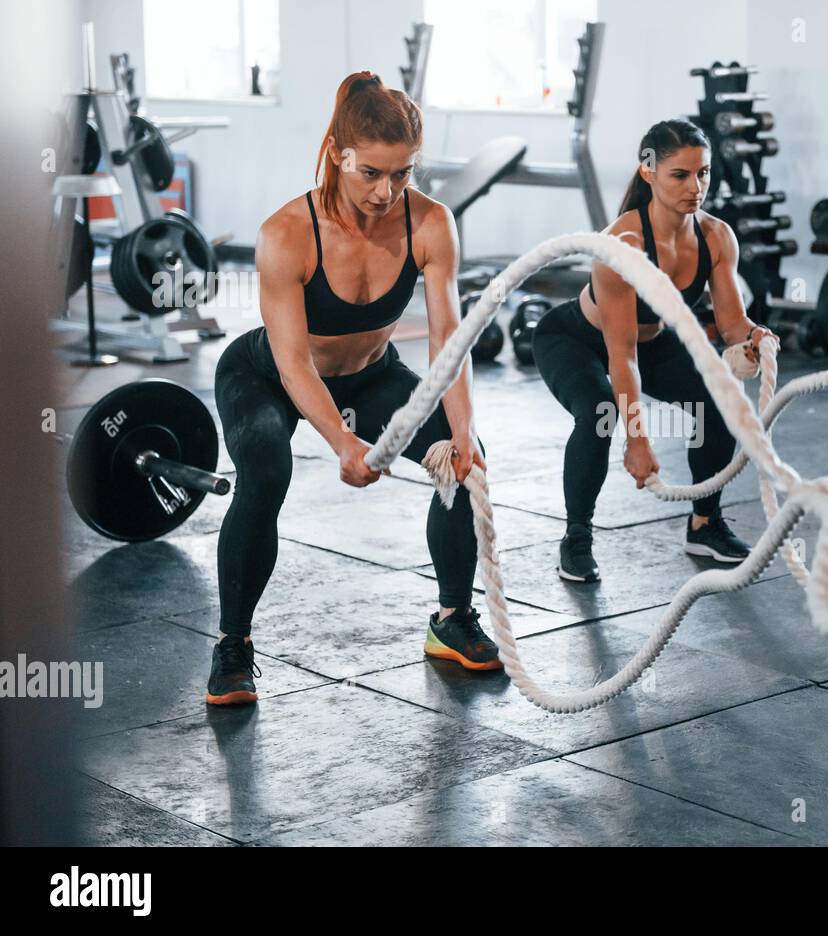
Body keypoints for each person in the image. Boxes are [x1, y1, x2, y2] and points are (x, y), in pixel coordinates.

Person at [208, 71, 499, 705]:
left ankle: (451, 620)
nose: (387, 190)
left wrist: (464, 431)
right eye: (371, 173)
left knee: (463, 463)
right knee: (264, 468)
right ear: (339, 152)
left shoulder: (431, 223)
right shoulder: (286, 232)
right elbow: (292, 363)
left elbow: (451, 339)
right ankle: (234, 643)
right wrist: (341, 441)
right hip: (267, 377)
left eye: (403, 174)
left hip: (370, 374)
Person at [531, 118, 775, 583]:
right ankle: (576, 540)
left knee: (719, 399)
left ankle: (705, 524)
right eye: (680, 175)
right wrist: (637, 439)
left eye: (703, 173)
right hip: (576, 340)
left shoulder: (716, 237)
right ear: (648, 171)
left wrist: (756, 337)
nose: (696, 186)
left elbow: (730, 324)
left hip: (653, 342)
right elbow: (621, 355)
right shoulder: (623, 245)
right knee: (599, 411)